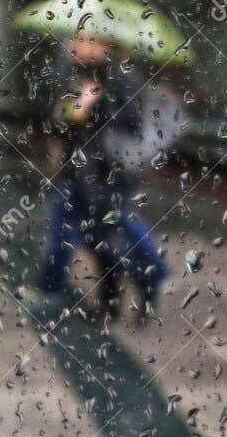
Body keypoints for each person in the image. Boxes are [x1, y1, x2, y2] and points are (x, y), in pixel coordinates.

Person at [34, 33, 167, 318]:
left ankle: (152, 277)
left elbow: (132, 121)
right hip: (77, 173)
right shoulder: (75, 74)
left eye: (82, 40)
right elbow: (58, 119)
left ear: (104, 44)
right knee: (94, 238)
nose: (73, 45)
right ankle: (109, 302)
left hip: (108, 175)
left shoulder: (123, 75)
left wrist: (99, 103)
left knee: (116, 232)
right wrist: (75, 109)